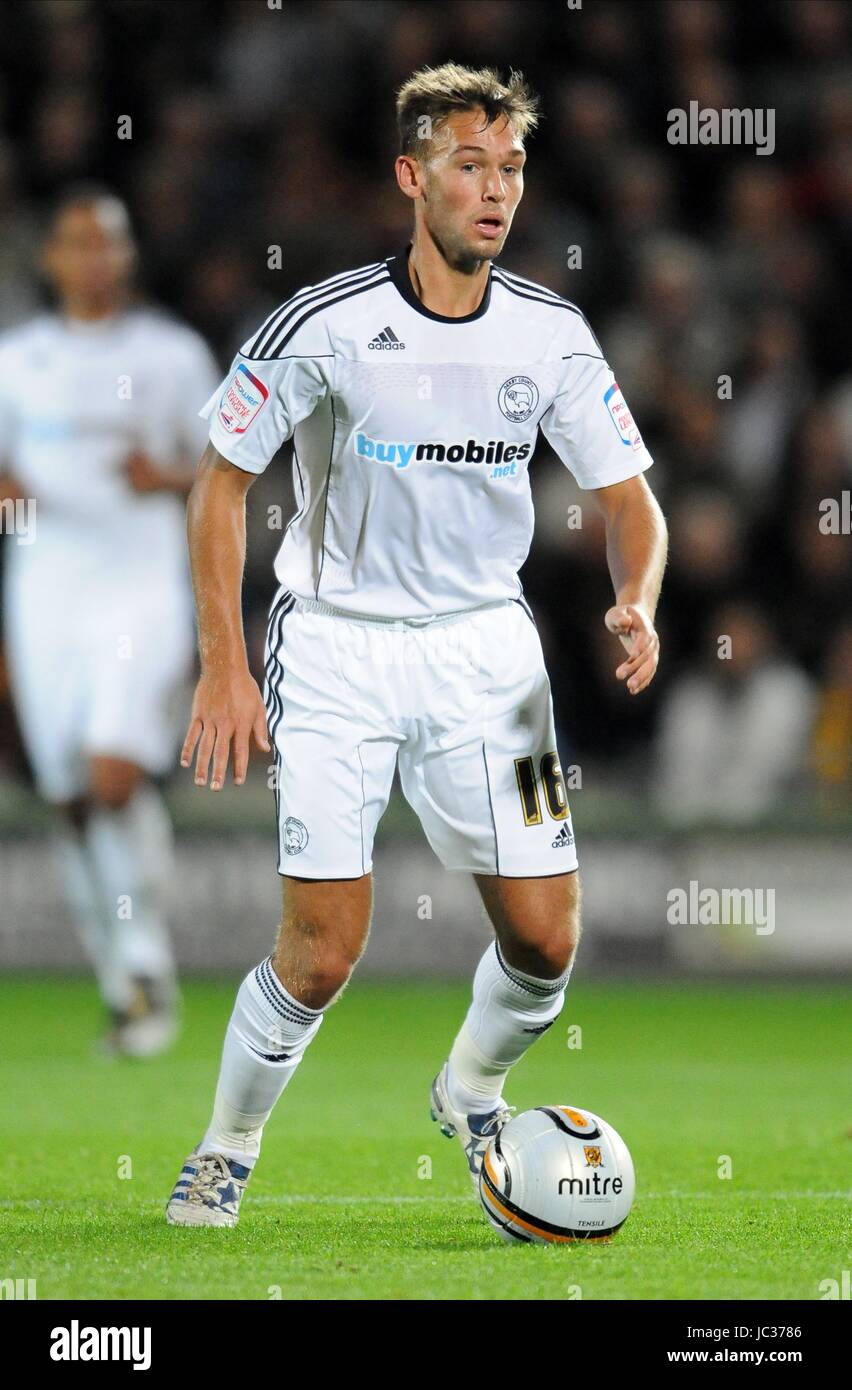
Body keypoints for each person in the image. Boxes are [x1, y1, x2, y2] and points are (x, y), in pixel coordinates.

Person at [166, 63, 667, 1228]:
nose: (496, 191)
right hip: (338, 650)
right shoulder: (324, 325)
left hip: (493, 661)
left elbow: (632, 501)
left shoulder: (550, 332)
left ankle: (470, 1087)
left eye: (512, 169)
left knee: (547, 943)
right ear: (411, 175)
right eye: (469, 165)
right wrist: (226, 662)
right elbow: (219, 486)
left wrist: (635, 595)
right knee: (324, 950)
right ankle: (226, 1147)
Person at [0, 186, 220, 1055]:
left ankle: (142, 966)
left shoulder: (171, 355)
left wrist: (164, 479)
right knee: (68, 796)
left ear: (127, 257)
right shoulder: (18, 359)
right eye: (77, 242)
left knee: (114, 775)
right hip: (46, 592)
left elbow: (224, 475)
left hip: (141, 586)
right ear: (51, 257)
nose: (95, 257)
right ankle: (131, 979)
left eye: (110, 242)